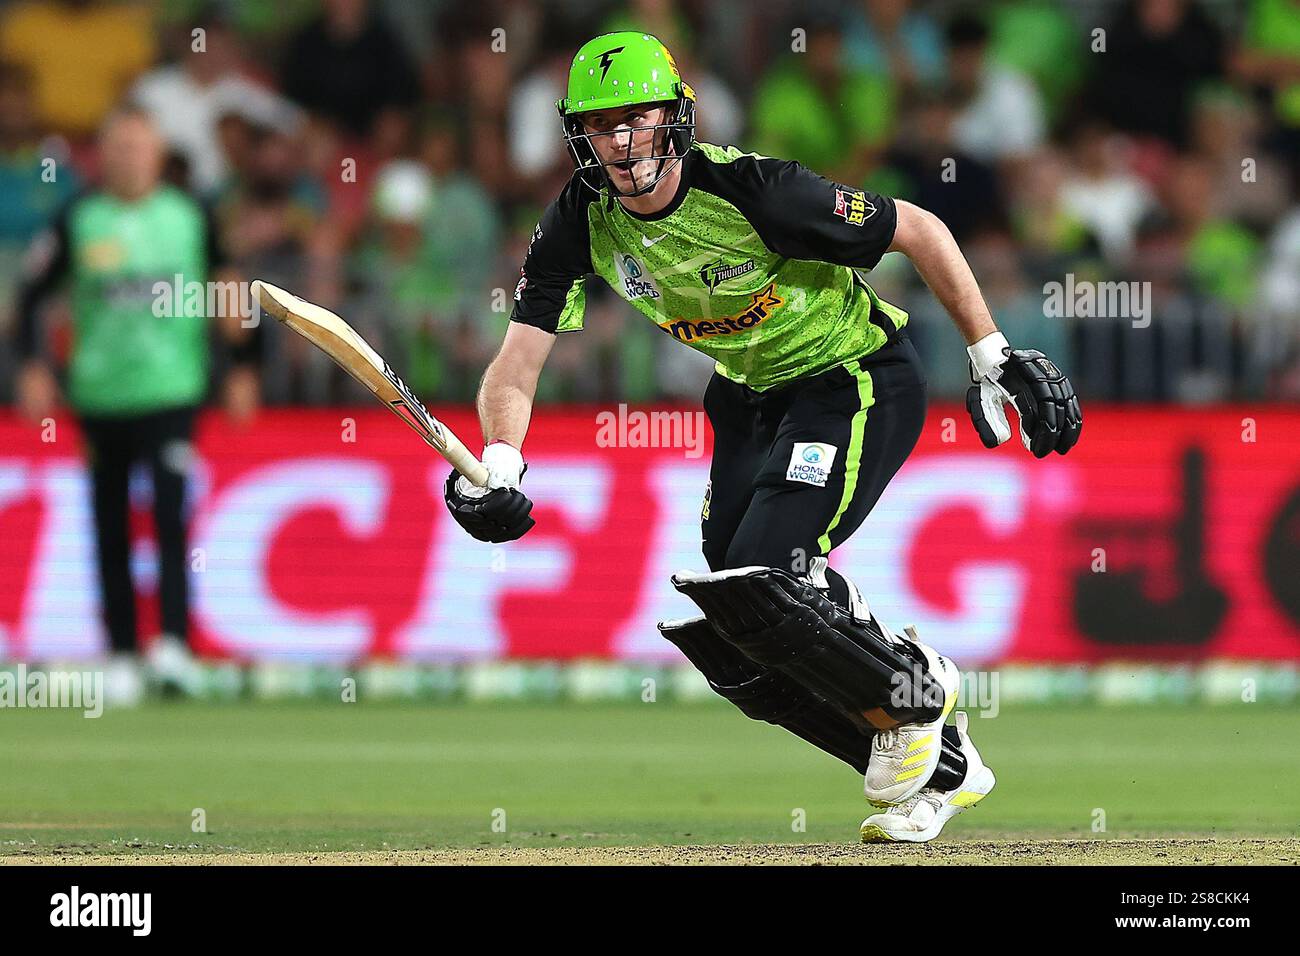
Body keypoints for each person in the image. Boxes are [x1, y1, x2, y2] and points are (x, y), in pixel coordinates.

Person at [443, 32, 1081, 843]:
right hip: (748, 398)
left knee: (770, 576)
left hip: (850, 378)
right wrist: (499, 463)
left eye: (637, 118)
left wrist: (992, 357)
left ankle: (917, 691)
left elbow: (919, 228)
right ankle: (947, 768)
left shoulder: (760, 192)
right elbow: (515, 364)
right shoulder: (580, 218)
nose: (623, 142)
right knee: (742, 622)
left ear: (676, 117)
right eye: (603, 126)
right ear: (581, 136)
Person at [14, 107, 258, 704]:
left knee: (173, 516)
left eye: (138, 146)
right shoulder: (79, 217)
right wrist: (32, 364)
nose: (127, 157)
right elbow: (29, 296)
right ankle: (122, 650)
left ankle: (173, 644)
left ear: (156, 154)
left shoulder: (190, 214)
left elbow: (230, 286)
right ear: (101, 155)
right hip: (99, 395)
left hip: (171, 390)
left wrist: (243, 365)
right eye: (117, 147)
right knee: (109, 523)